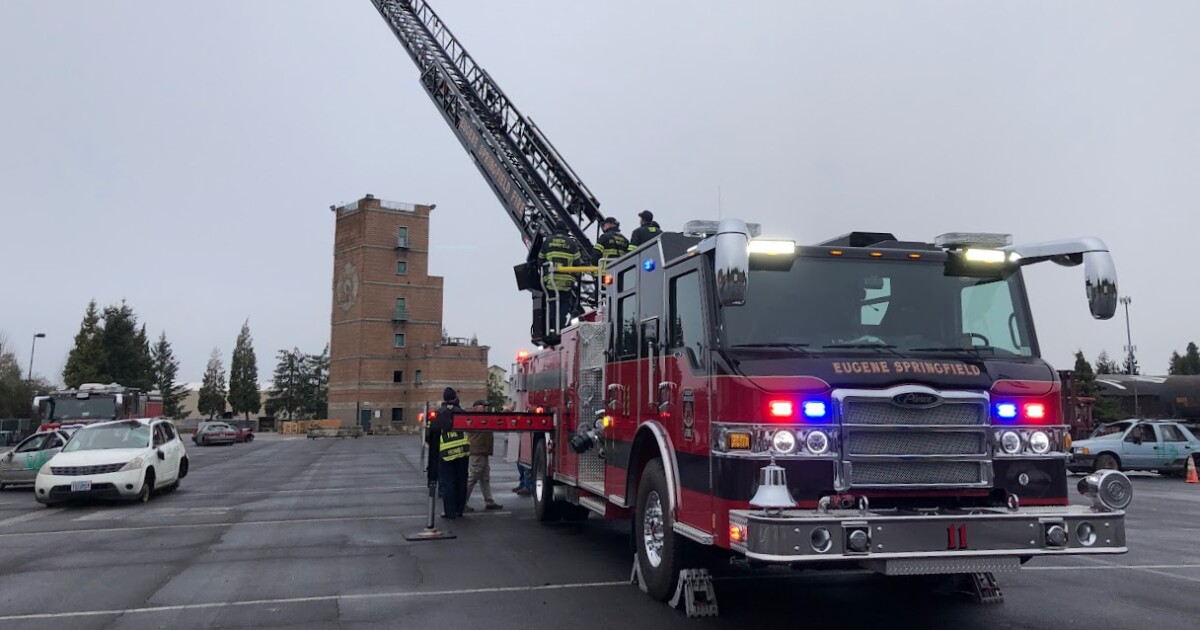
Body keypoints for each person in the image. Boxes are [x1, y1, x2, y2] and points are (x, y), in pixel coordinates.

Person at [426, 387, 470, 519]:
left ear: (444, 398)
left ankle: (449, 512)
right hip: (462, 452)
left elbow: (429, 436)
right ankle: (459, 510)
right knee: (461, 482)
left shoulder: (438, 413)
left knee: (448, 483)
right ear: (455, 397)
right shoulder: (462, 412)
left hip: (446, 454)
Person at [537, 227, 584, 329]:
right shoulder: (572, 244)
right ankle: (561, 326)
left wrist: (544, 273)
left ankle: (555, 327)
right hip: (566, 281)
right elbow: (577, 263)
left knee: (552, 304)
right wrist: (576, 275)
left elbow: (540, 261)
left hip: (551, 280)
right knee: (563, 304)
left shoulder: (547, 242)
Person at [464, 400, 503, 512]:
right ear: (476, 407)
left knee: (485, 478)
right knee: (473, 478)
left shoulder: (481, 418)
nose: (485, 408)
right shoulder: (476, 419)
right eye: (483, 406)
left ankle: (489, 501)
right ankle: (462, 502)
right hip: (477, 452)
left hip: (483, 452)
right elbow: (496, 421)